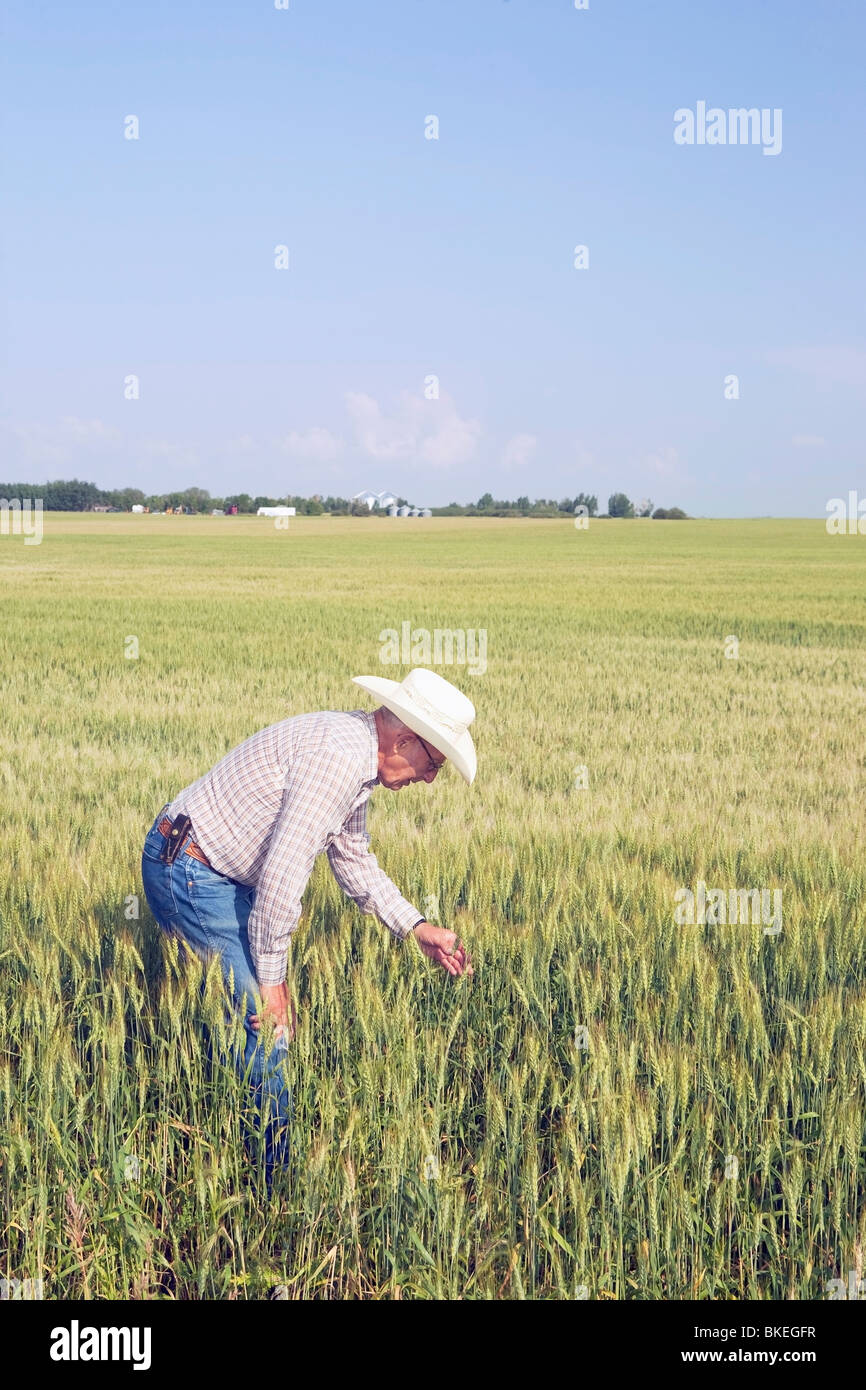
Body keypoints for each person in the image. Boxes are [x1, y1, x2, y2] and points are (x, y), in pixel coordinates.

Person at [140, 667, 476, 1189]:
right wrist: (273, 986)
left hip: (206, 863)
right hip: (190, 869)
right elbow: (280, 881)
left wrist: (417, 927)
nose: (431, 778)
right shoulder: (338, 761)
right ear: (406, 738)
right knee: (266, 1027)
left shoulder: (359, 757)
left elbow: (354, 859)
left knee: (238, 1021)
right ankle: (272, 1187)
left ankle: (223, 1140)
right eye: (433, 763)